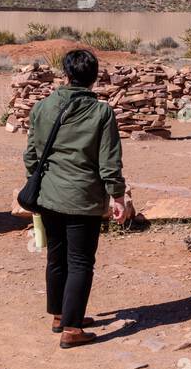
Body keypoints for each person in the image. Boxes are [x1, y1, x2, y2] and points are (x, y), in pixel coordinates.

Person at [23, 49, 128, 349]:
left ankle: (60, 315)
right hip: (83, 198)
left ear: (65, 75)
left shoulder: (43, 107)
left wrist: (44, 180)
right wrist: (117, 196)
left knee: (57, 256)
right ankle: (72, 328)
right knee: (81, 261)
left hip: (49, 196)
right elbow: (109, 161)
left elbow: (31, 155)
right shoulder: (101, 113)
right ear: (94, 78)